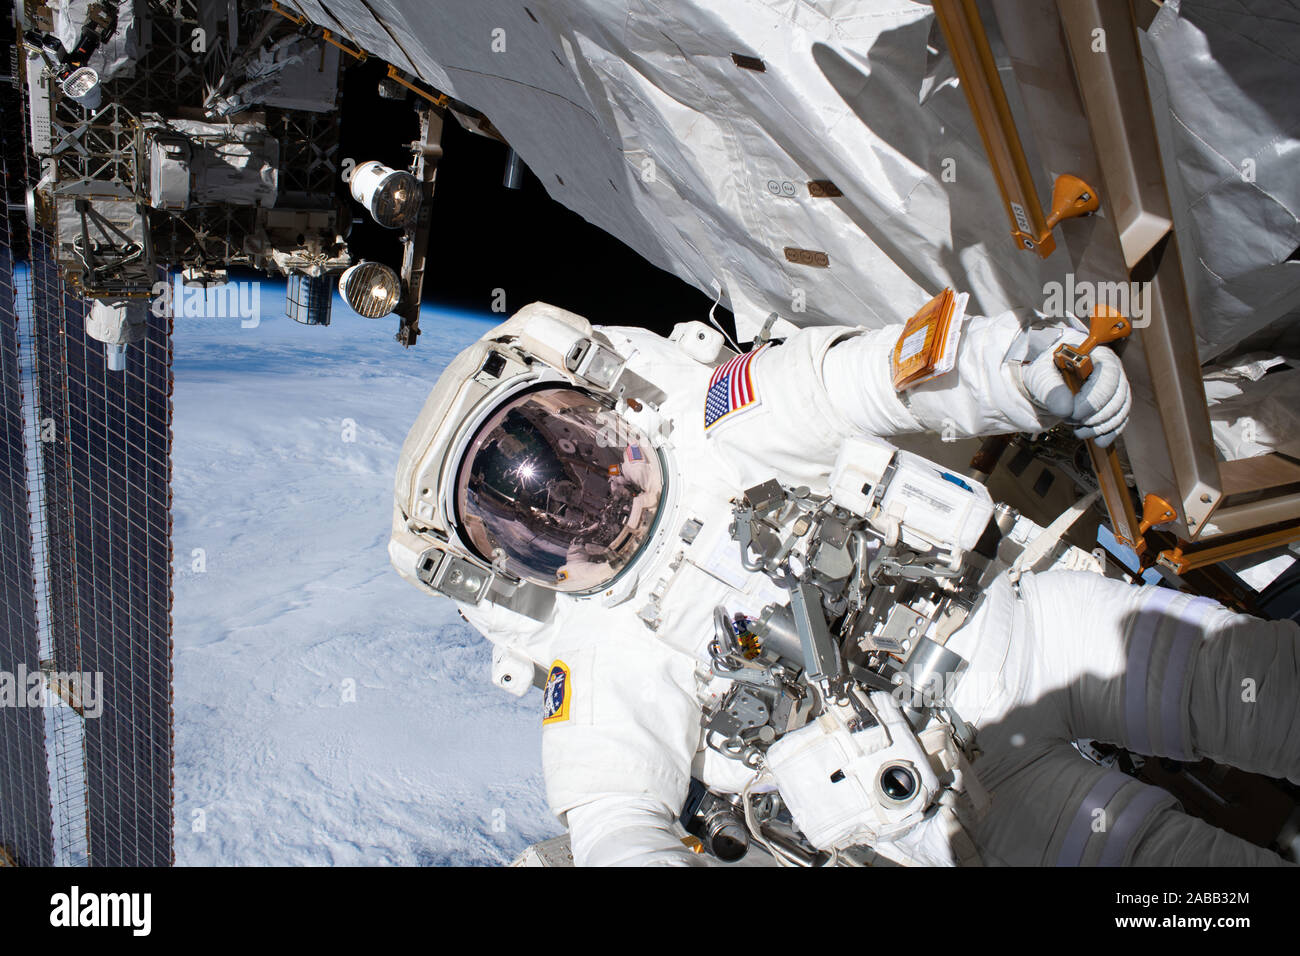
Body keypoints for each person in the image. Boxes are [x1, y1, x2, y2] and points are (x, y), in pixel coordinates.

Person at [389, 299, 1299, 866]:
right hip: (962, 811)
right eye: (531, 515)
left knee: (1259, 686)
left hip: (1023, 632)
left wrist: (1019, 374)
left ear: (597, 404)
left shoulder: (712, 420)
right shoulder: (598, 652)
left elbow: (865, 378)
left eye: (564, 449)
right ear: (510, 576)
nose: (575, 501)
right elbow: (612, 813)